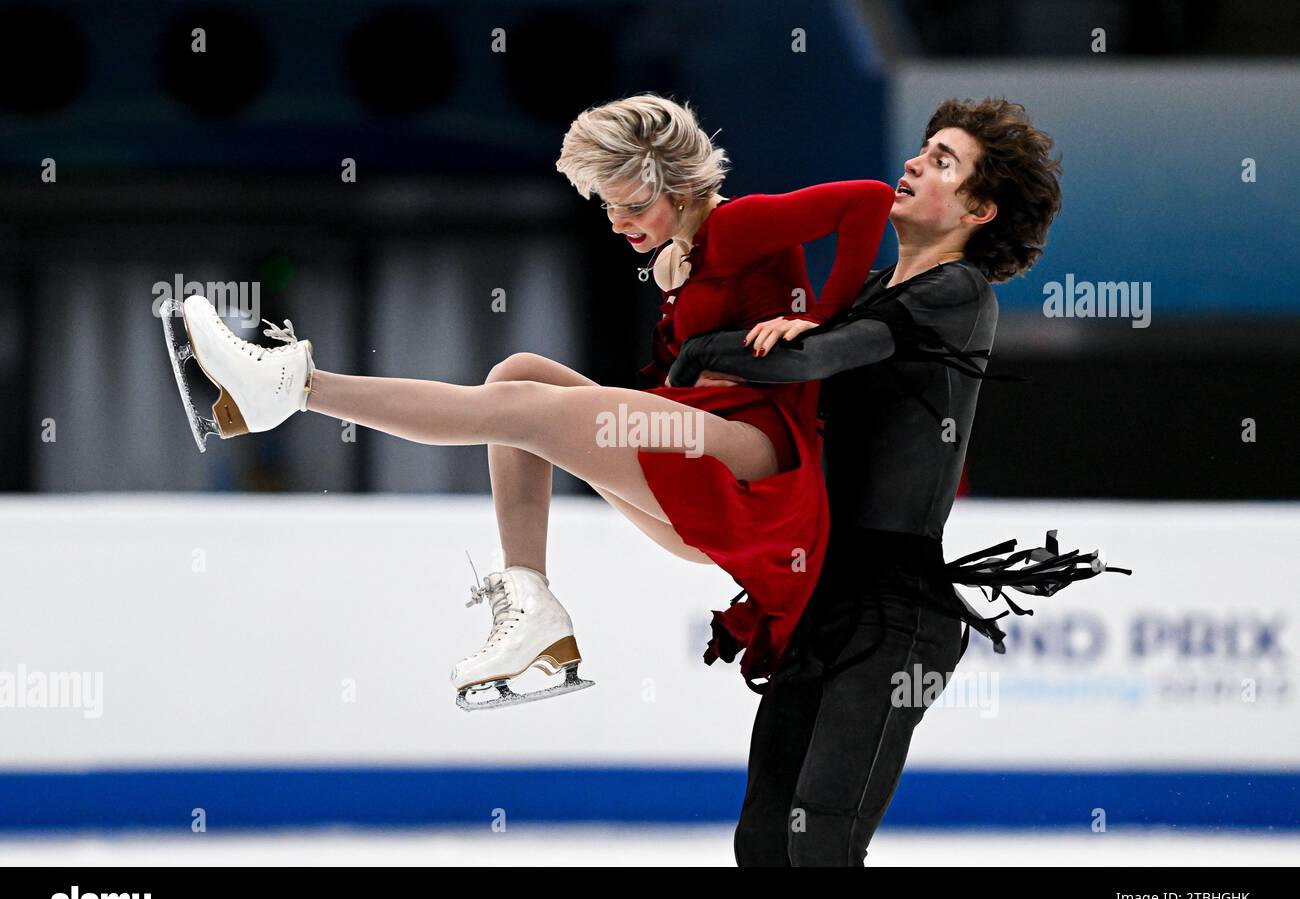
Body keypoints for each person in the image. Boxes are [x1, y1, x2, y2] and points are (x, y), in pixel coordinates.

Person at [159, 93, 897, 709]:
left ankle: (296, 387)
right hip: (700, 464)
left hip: (748, 461)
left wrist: (818, 319)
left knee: (518, 409)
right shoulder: (682, 256)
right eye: (607, 208)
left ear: (678, 181)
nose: (618, 224)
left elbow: (868, 202)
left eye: (633, 203)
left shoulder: (734, 223)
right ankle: (530, 601)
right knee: (518, 374)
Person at [667, 97, 1128, 865]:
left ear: (980, 209)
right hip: (824, 596)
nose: (914, 163)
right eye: (923, 149)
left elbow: (812, 358)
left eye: (942, 161)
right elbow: (798, 357)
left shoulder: (959, 292)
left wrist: (699, 352)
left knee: (821, 839)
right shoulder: (873, 289)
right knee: (762, 842)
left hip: (897, 615)